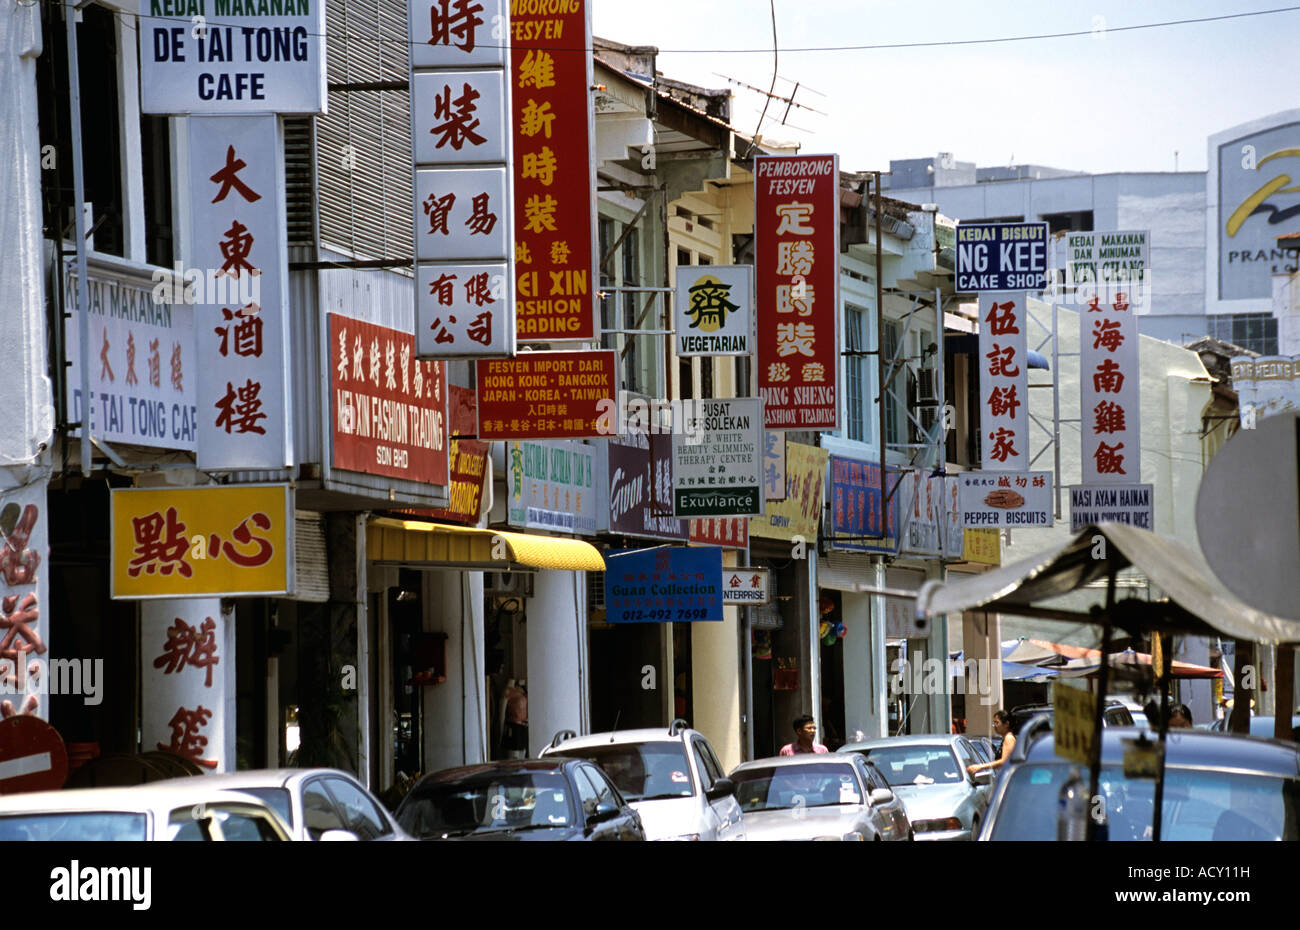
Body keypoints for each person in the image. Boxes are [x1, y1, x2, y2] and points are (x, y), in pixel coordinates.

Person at [967, 710, 1016, 777]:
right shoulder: (1006, 738)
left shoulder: (1009, 738)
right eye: (994, 723)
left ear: (1006, 724)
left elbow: (1004, 761)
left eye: (997, 723)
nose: (994, 726)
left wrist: (980, 767)